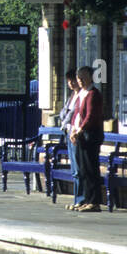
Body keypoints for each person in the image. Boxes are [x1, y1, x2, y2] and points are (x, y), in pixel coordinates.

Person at [68, 66, 104, 212]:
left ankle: (94, 202)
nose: (80, 81)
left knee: (91, 169)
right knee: (82, 169)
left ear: (90, 77)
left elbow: (90, 116)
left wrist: (80, 130)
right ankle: (85, 200)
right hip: (80, 135)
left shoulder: (93, 94)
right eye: (78, 78)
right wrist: (73, 130)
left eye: (83, 78)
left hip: (90, 135)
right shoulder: (81, 94)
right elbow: (76, 114)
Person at [55, 70, 82, 209]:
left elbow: (71, 114)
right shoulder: (72, 96)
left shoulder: (81, 96)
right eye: (69, 81)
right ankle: (77, 199)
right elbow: (63, 112)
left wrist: (65, 121)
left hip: (75, 133)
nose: (71, 83)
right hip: (68, 131)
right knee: (74, 169)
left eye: (73, 80)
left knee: (78, 168)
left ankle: (80, 199)